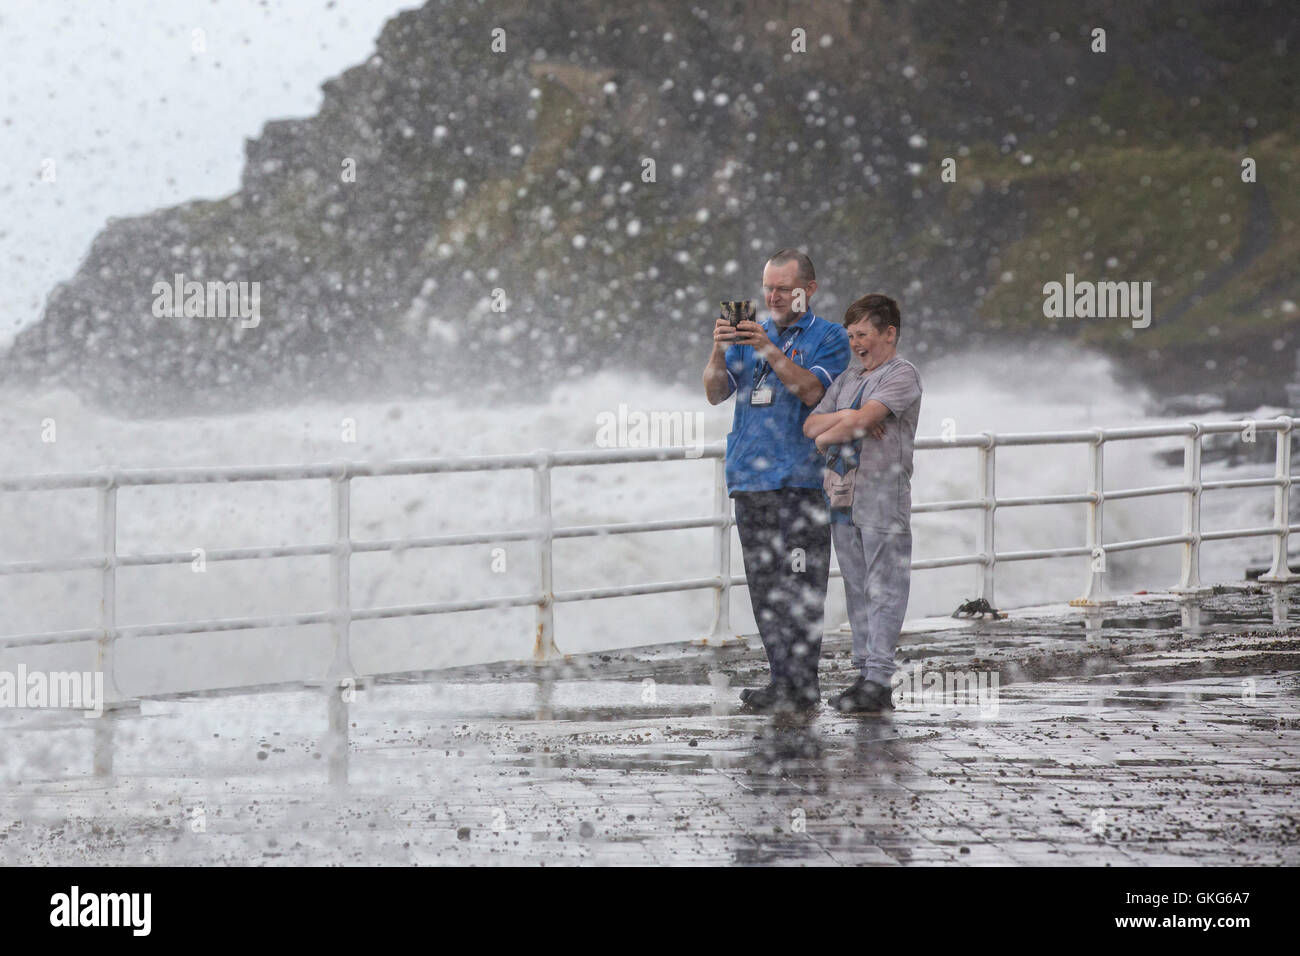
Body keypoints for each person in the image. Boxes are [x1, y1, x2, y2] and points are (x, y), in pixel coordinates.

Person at [703, 249, 851, 712]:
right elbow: (713, 392)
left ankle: (803, 686)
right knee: (765, 585)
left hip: (801, 477)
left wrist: (768, 349)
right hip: (750, 476)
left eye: (784, 288)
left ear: (809, 290)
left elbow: (812, 390)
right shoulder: (750, 335)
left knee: (802, 584)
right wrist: (719, 348)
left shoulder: (829, 336)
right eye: (768, 287)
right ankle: (780, 681)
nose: (773, 296)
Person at [803, 294, 922, 713]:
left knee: (884, 587)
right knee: (856, 587)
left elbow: (854, 423)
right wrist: (845, 421)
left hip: (883, 495)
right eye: (851, 335)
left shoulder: (902, 374)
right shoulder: (850, 379)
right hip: (842, 494)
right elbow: (811, 425)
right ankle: (863, 673)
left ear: (889, 333)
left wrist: (841, 424)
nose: (856, 343)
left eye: (864, 334)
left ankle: (879, 679)